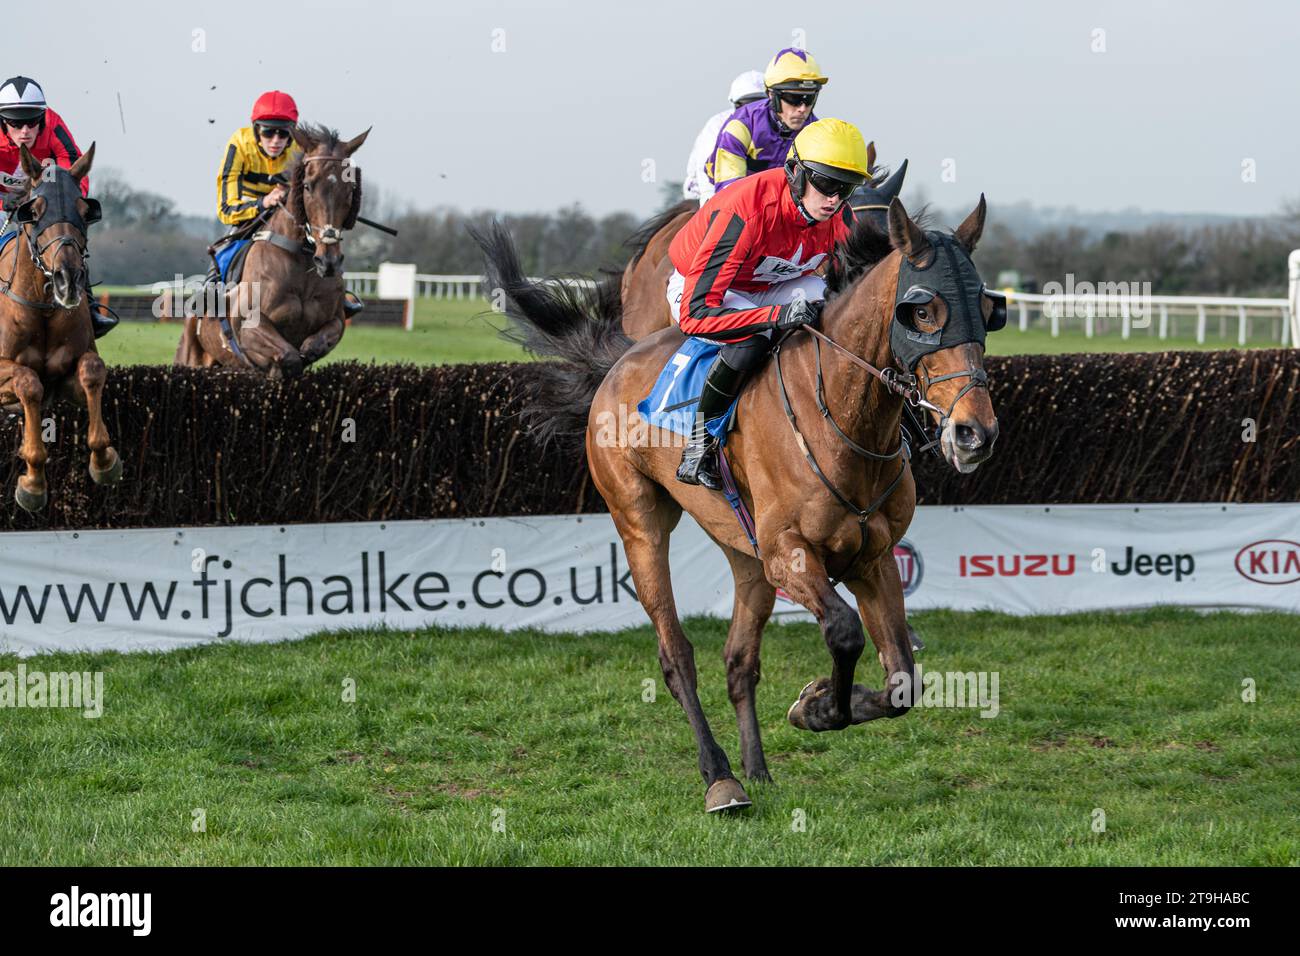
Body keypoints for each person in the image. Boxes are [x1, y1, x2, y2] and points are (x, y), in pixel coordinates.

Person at [669, 118, 869, 489]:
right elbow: (696, 314)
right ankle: (699, 443)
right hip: (704, 290)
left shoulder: (840, 216)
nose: (835, 199)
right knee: (754, 337)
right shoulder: (744, 211)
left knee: (841, 318)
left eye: (847, 188)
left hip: (771, 282)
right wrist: (776, 316)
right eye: (826, 184)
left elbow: (859, 289)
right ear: (794, 172)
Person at [203, 90, 362, 317]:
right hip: (250, 214)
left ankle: (337, 295)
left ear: (293, 134)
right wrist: (264, 202)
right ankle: (211, 288)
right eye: (268, 133)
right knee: (226, 250)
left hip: (290, 211)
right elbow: (226, 208)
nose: (276, 140)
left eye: (283, 133)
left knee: (324, 243)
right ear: (256, 129)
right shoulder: (239, 144)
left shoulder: (304, 149)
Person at [0, 75, 116, 337]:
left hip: (43, 205)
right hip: (2, 206)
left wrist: (59, 203)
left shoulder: (53, 125)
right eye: (16, 124)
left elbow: (75, 172)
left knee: (68, 240)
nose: (25, 131)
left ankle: (90, 306)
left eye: (32, 122)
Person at [707, 47, 828, 193]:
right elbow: (729, 192)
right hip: (721, 186)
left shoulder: (815, 134)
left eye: (809, 98)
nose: (802, 108)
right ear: (772, 95)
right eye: (794, 98)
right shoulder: (742, 124)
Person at [683, 70, 765, 205]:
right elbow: (706, 175)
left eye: (760, 104)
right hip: (704, 190)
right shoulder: (717, 126)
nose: (753, 110)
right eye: (748, 104)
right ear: (735, 105)